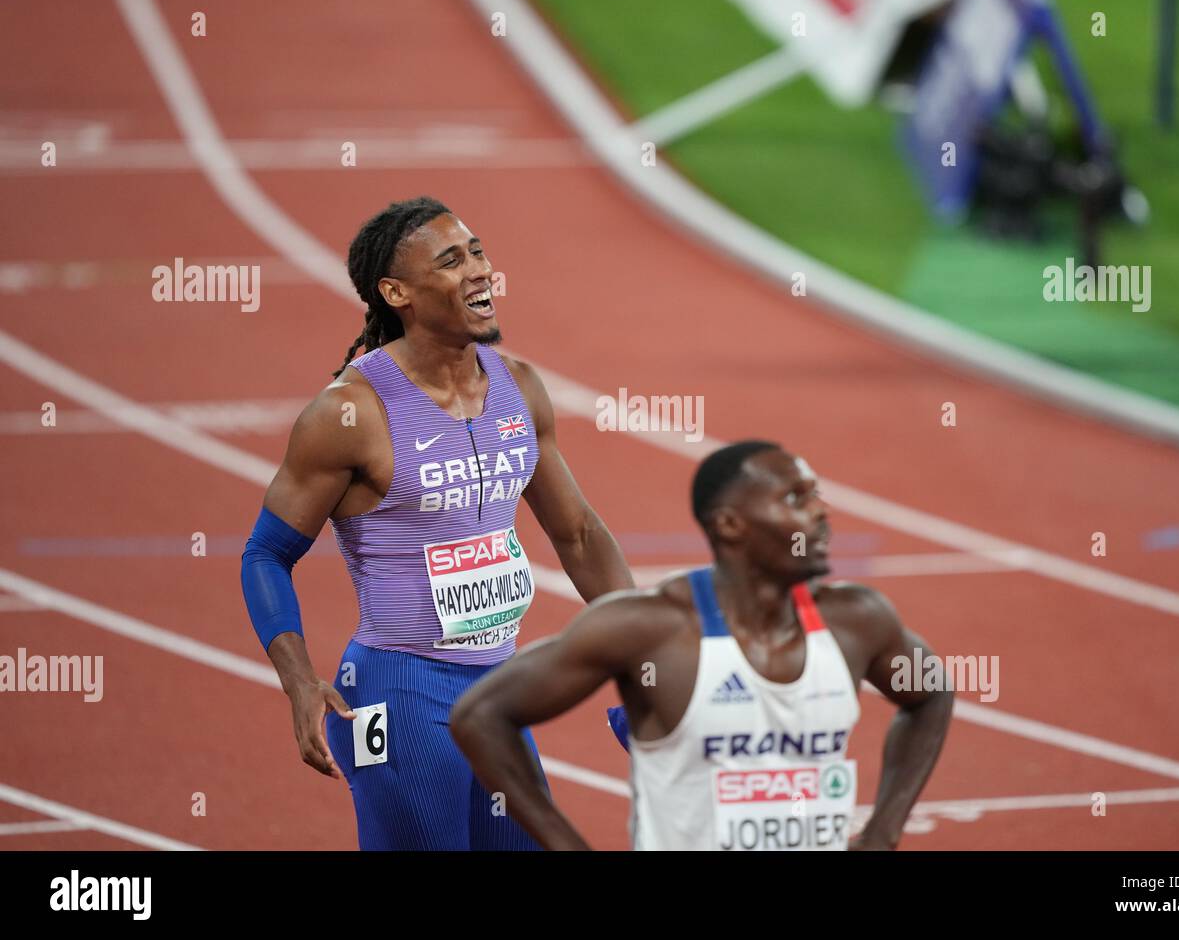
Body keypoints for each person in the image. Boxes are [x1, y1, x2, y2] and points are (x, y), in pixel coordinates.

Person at [240, 197, 633, 849]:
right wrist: (298, 680)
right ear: (398, 293)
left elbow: (580, 535)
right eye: (451, 261)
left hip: (499, 693)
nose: (478, 270)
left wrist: (647, 645)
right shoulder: (351, 415)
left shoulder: (519, 387)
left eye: (477, 251)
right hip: (398, 695)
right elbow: (265, 554)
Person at [451, 440, 953, 850]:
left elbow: (931, 693)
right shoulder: (652, 629)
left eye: (816, 496)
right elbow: (481, 716)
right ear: (730, 524)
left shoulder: (857, 621)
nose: (820, 515)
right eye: (796, 499)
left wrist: (883, 831)